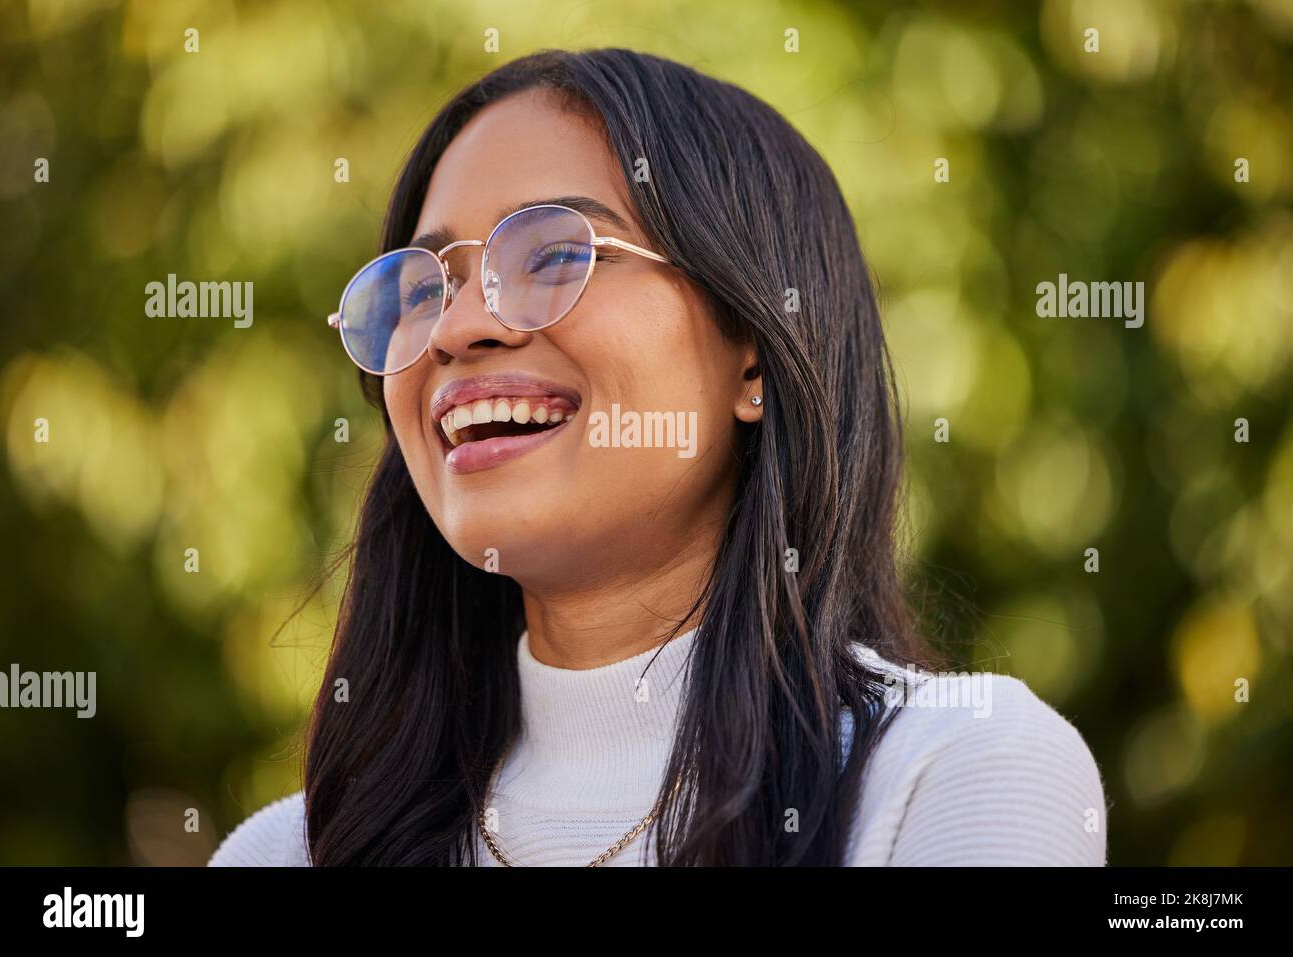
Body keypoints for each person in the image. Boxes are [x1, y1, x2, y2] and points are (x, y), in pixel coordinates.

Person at [209, 48, 1106, 867]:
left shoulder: (952, 771)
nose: (457, 326)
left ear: (752, 349)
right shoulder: (289, 854)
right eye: (421, 287)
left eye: (555, 254)